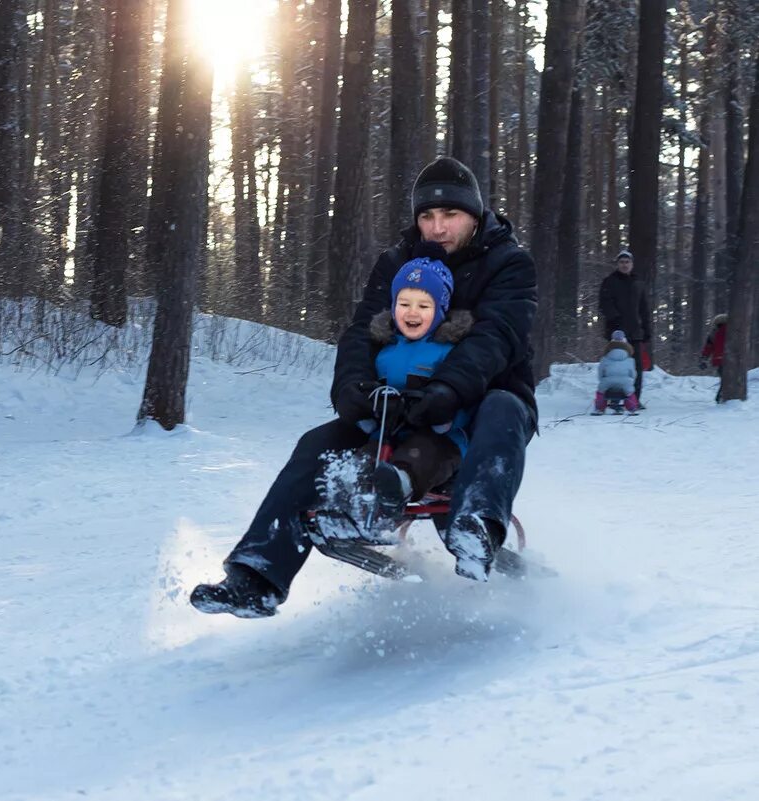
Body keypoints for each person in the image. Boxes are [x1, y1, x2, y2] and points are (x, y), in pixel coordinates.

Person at [190, 156, 538, 618]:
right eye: (427, 216)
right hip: (399, 405)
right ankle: (256, 576)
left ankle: (478, 526)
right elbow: (363, 331)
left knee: (502, 408)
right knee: (318, 443)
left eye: (450, 214)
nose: (437, 227)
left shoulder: (508, 262)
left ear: (475, 215)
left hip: (480, 406)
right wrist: (352, 387)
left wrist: (448, 389)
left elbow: (497, 336)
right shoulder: (398, 262)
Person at [358, 241, 474, 513]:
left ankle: (399, 484)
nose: (412, 312)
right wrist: (367, 408)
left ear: (440, 310)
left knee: (421, 454)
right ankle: (348, 492)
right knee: (365, 457)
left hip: (440, 438)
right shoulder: (385, 351)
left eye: (423, 306)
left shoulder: (447, 351)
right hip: (389, 434)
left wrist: (446, 416)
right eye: (404, 304)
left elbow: (465, 396)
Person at [598, 250, 651, 407]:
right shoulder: (609, 282)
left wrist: (646, 329)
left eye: (627, 262)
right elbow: (604, 304)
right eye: (621, 262)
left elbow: (644, 309)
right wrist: (616, 320)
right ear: (617, 264)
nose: (624, 265)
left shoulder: (638, 283)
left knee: (636, 367)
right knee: (615, 366)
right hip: (616, 332)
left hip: (635, 332)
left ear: (632, 264)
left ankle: (634, 398)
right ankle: (613, 397)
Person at [592, 330, 639, 414]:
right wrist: (631, 381)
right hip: (625, 381)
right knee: (630, 392)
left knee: (601, 391)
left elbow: (600, 372)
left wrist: (602, 380)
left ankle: (599, 408)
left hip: (608, 381)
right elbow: (633, 374)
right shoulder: (630, 359)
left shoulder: (605, 358)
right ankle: (632, 408)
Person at [700, 313, 728, 403]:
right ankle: (721, 397)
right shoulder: (733, 331)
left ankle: (721, 397)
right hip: (731, 360)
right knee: (728, 379)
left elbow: (708, 347)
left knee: (724, 379)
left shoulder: (714, 332)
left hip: (718, 359)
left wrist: (703, 359)